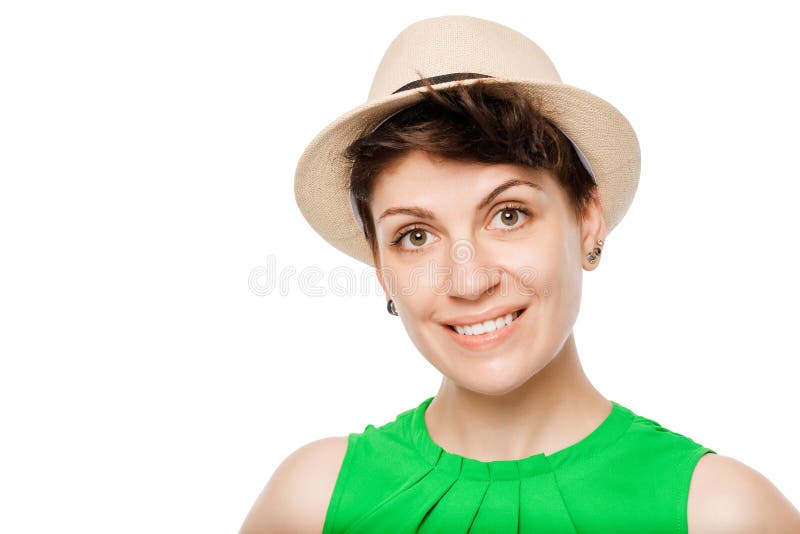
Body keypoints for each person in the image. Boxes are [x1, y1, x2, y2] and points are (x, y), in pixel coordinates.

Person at [240, 15, 800, 534]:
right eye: (415, 236)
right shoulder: (311, 504)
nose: (469, 281)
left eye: (509, 215)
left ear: (587, 221)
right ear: (383, 272)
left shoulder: (721, 513)